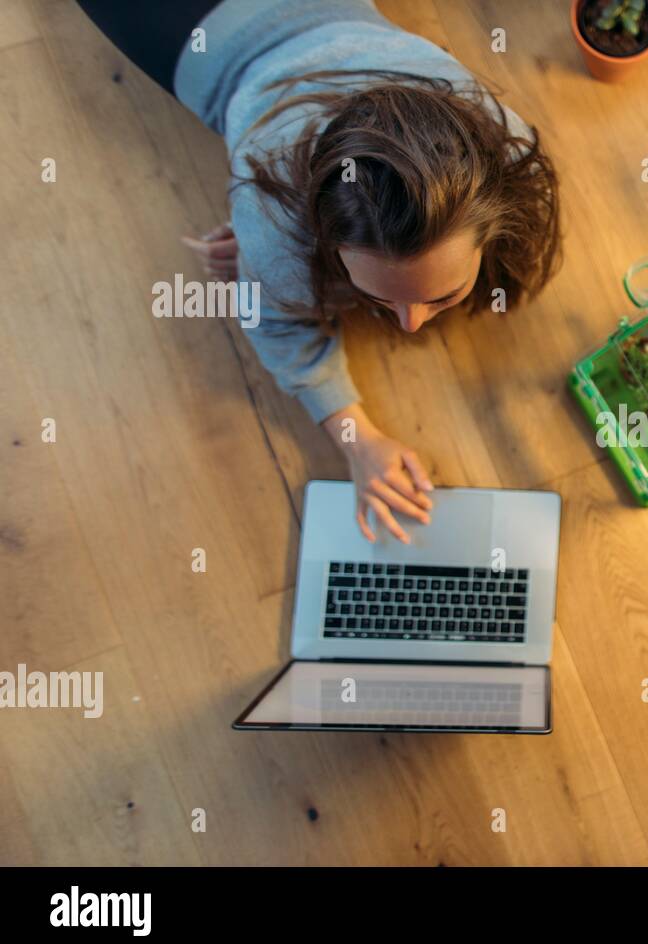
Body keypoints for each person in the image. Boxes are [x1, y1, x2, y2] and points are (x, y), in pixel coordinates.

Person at [76, 0, 561, 542]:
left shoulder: (510, 150)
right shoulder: (277, 236)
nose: (410, 325)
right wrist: (358, 439)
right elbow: (276, 325)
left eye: (441, 296)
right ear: (321, 238)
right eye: (376, 296)